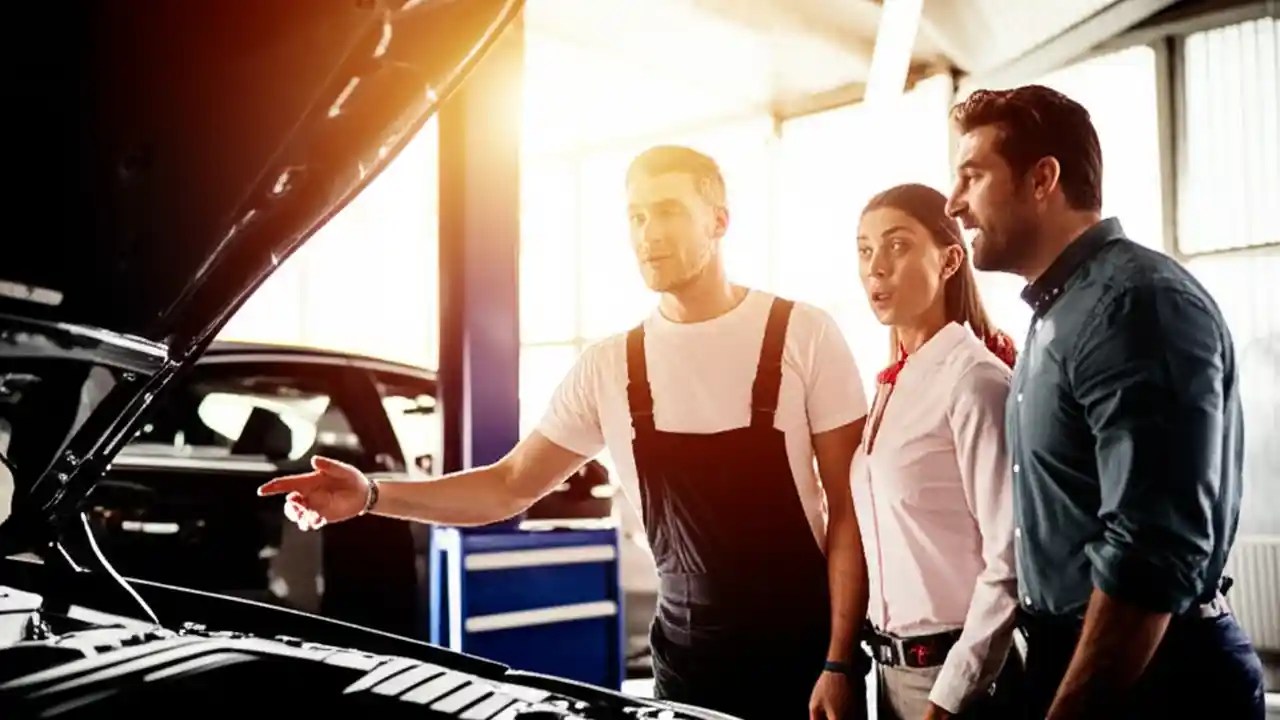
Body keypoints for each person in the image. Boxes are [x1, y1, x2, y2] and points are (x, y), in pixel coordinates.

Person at [258, 144, 875, 719]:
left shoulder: (801, 333)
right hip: (687, 666)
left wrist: (840, 660)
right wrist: (371, 495)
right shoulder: (612, 367)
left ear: (718, 221)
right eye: (635, 216)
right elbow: (508, 486)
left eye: (668, 212)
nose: (648, 233)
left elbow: (850, 510)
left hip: (804, 660)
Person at [943, 84, 1265, 719]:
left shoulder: (1133, 304)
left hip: (1153, 676)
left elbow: (1151, 552)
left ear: (1043, 179)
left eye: (972, 176)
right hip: (1086, 654)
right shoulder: (1063, 308)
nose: (954, 203)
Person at [852, 183, 1022, 720]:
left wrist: (951, 695)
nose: (876, 268)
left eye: (897, 246)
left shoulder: (973, 381)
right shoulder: (893, 383)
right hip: (889, 673)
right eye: (864, 249)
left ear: (950, 260)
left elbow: (1010, 558)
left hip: (958, 682)